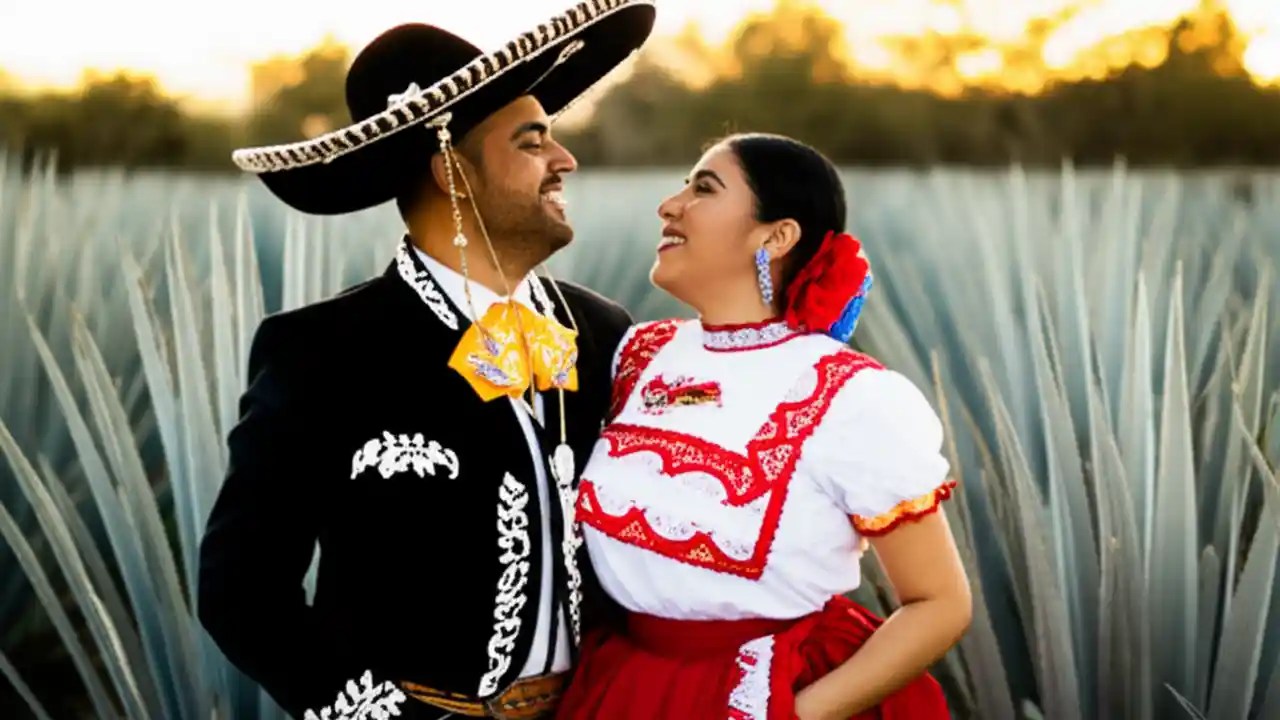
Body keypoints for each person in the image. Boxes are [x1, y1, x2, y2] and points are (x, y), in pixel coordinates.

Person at [195, 2, 656, 719]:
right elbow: (242, 589)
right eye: (533, 141)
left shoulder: (600, 329)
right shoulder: (322, 351)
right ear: (449, 170)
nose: (565, 160)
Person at [555, 133, 973, 720]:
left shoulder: (850, 396)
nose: (670, 205)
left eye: (704, 188)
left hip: (773, 690)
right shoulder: (639, 355)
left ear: (777, 236)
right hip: (625, 685)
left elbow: (940, 603)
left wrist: (792, 713)